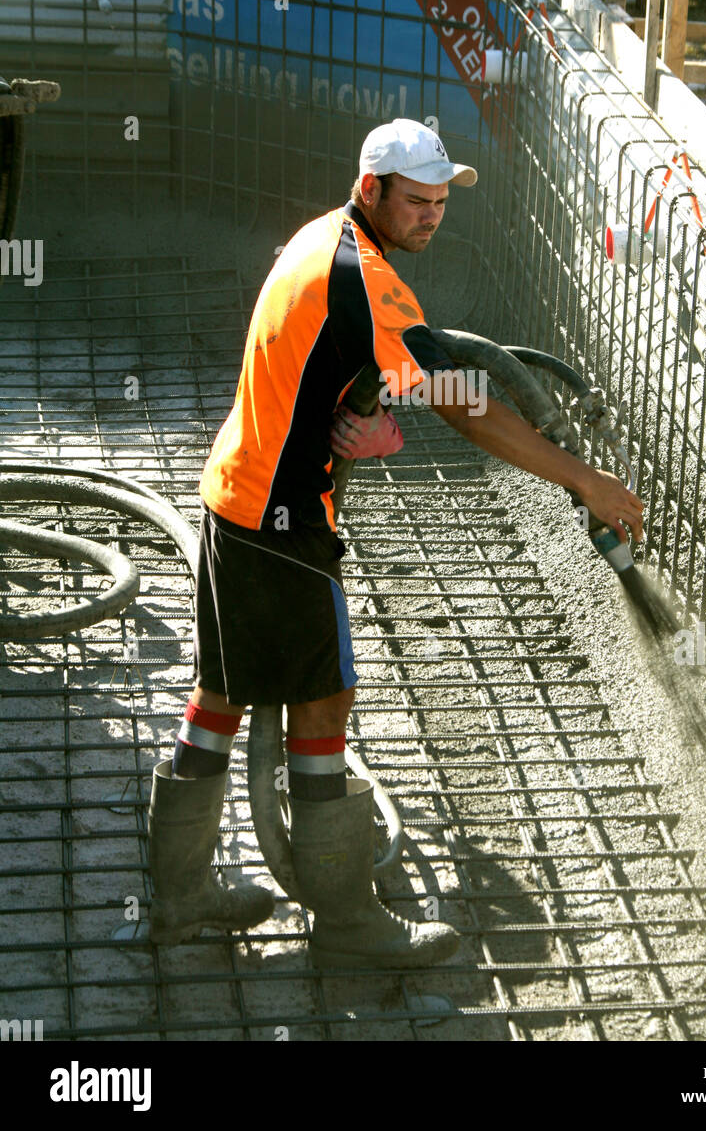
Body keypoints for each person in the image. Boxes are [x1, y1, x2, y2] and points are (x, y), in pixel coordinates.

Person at [147, 118, 644, 968]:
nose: (431, 218)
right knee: (323, 704)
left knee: (221, 694)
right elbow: (464, 400)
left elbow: (342, 363)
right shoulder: (364, 280)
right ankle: (347, 924)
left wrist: (367, 412)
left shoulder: (318, 237)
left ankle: (179, 899)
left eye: (442, 204)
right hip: (284, 523)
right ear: (371, 188)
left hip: (236, 495)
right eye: (416, 202)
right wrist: (586, 481)